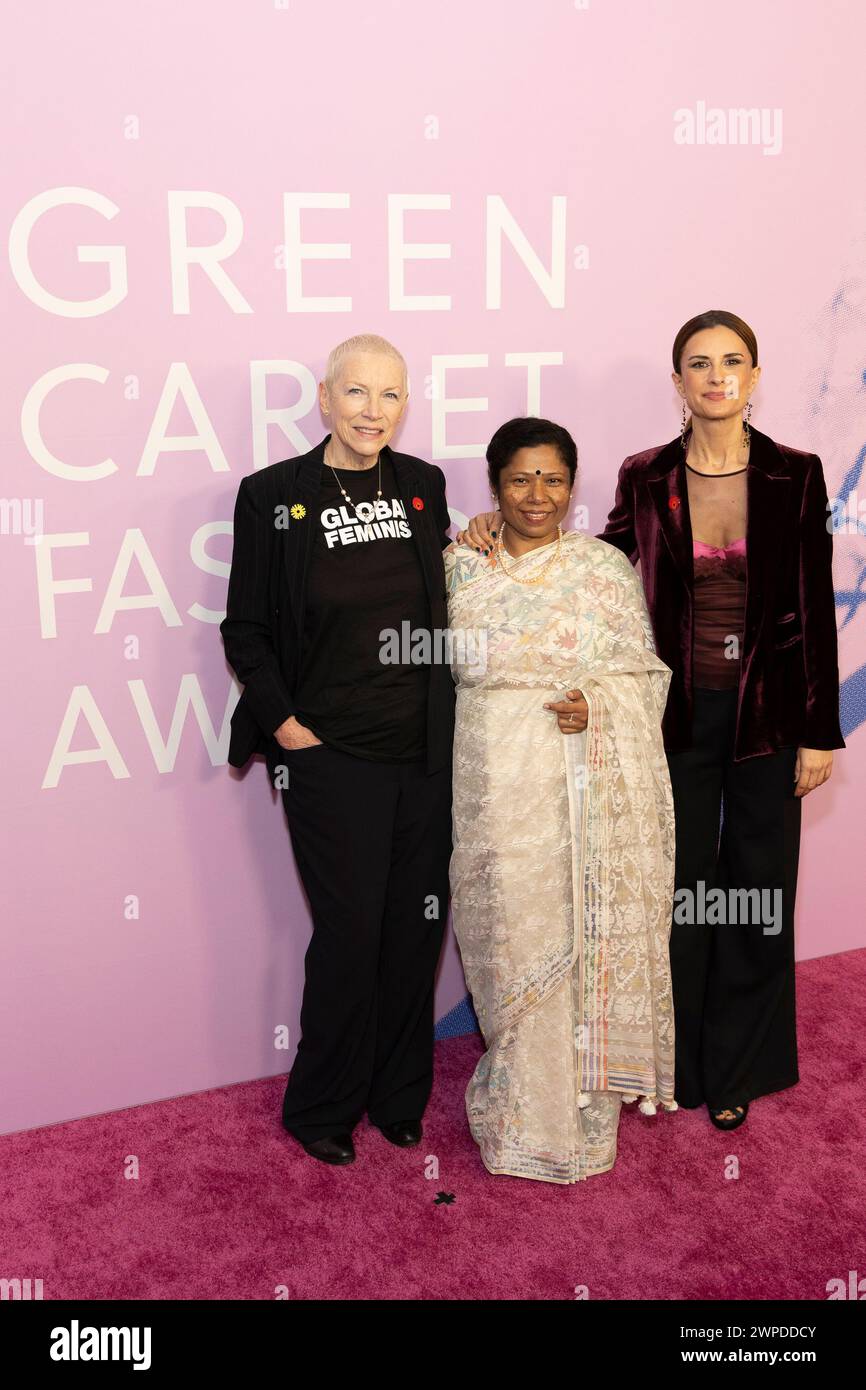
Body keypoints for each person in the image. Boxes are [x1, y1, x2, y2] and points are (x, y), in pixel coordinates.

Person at [459, 311, 845, 1131]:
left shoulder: (796, 475)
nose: (715, 376)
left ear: (754, 375)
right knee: (680, 892)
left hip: (771, 720)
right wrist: (497, 532)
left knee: (759, 890)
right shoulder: (646, 474)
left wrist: (820, 729)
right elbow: (590, 564)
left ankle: (742, 1065)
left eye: (732, 361)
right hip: (668, 719)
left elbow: (813, 606)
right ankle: (685, 1062)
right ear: (678, 382)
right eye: (698, 363)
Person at [220, 334, 455, 1165]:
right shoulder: (274, 496)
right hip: (331, 755)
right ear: (324, 399)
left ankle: (397, 1097)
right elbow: (244, 627)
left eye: (390, 396)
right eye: (357, 394)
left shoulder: (423, 487)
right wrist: (288, 729)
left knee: (414, 935)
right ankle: (321, 1106)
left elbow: (449, 598)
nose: (373, 413)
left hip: (424, 754)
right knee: (350, 935)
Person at [445, 416, 677, 1183]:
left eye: (552, 479)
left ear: (573, 487)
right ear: (494, 487)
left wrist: (600, 705)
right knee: (505, 932)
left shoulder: (603, 568)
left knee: (577, 935)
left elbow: (644, 674)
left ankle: (575, 1114)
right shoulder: (460, 566)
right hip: (491, 777)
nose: (537, 495)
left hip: (579, 779)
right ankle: (517, 1101)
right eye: (519, 479)